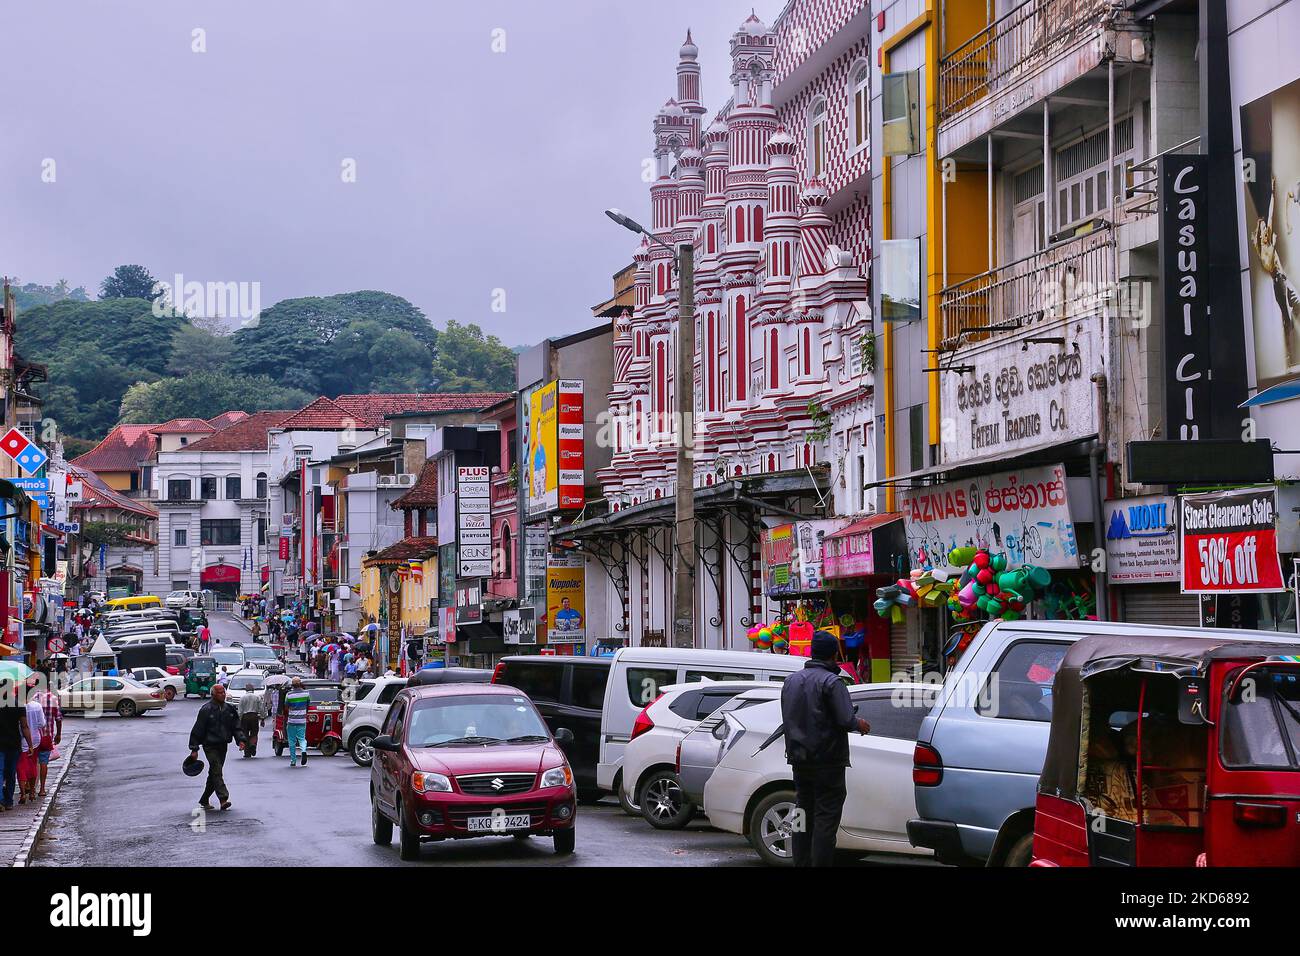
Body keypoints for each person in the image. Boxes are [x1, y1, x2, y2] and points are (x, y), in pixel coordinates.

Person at [779, 630, 870, 868]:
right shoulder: (832, 682)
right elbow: (846, 720)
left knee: (802, 813)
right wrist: (860, 723)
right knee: (825, 819)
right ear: (833, 654)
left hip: (799, 761)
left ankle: (800, 861)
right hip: (828, 761)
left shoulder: (791, 681)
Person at [187, 683, 245, 810]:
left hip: (223, 745)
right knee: (217, 770)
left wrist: (241, 740)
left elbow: (236, 726)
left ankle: (204, 799)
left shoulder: (229, 709)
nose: (223, 694)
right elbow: (198, 729)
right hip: (209, 745)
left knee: (214, 773)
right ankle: (223, 799)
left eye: (223, 692)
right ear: (213, 694)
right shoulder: (206, 710)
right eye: (219, 692)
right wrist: (194, 749)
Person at [0, 687, 35, 810]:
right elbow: (24, 726)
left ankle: (0, 800)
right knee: (11, 773)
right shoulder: (18, 704)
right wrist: (30, 745)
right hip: (14, 743)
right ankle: (8, 801)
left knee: (0, 770)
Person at [18, 684, 47, 803]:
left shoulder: (19, 706)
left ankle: (23, 793)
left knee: (21, 767)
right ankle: (33, 792)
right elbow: (42, 724)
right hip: (35, 739)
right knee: (33, 764)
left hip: (22, 740)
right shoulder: (37, 706)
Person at [35, 681, 62, 797]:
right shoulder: (54, 698)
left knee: (32, 762)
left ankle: (30, 788)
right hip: (47, 736)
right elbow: (59, 718)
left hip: (33, 736)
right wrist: (58, 734)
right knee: (44, 762)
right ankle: (42, 789)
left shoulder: (32, 698)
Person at [284, 677, 310, 768]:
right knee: (302, 739)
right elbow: (308, 706)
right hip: (302, 720)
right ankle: (303, 751)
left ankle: (293, 760)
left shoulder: (289, 695)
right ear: (300, 684)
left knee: (292, 741)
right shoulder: (306, 694)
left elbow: (286, 707)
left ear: (292, 685)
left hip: (291, 720)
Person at [237, 680, 264, 758]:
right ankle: (252, 744)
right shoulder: (257, 697)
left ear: (246, 690)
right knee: (254, 732)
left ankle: (247, 752)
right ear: (253, 690)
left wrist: (239, 720)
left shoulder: (242, 698)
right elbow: (261, 708)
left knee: (244, 733)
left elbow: (240, 711)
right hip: (254, 716)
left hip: (245, 717)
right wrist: (262, 718)